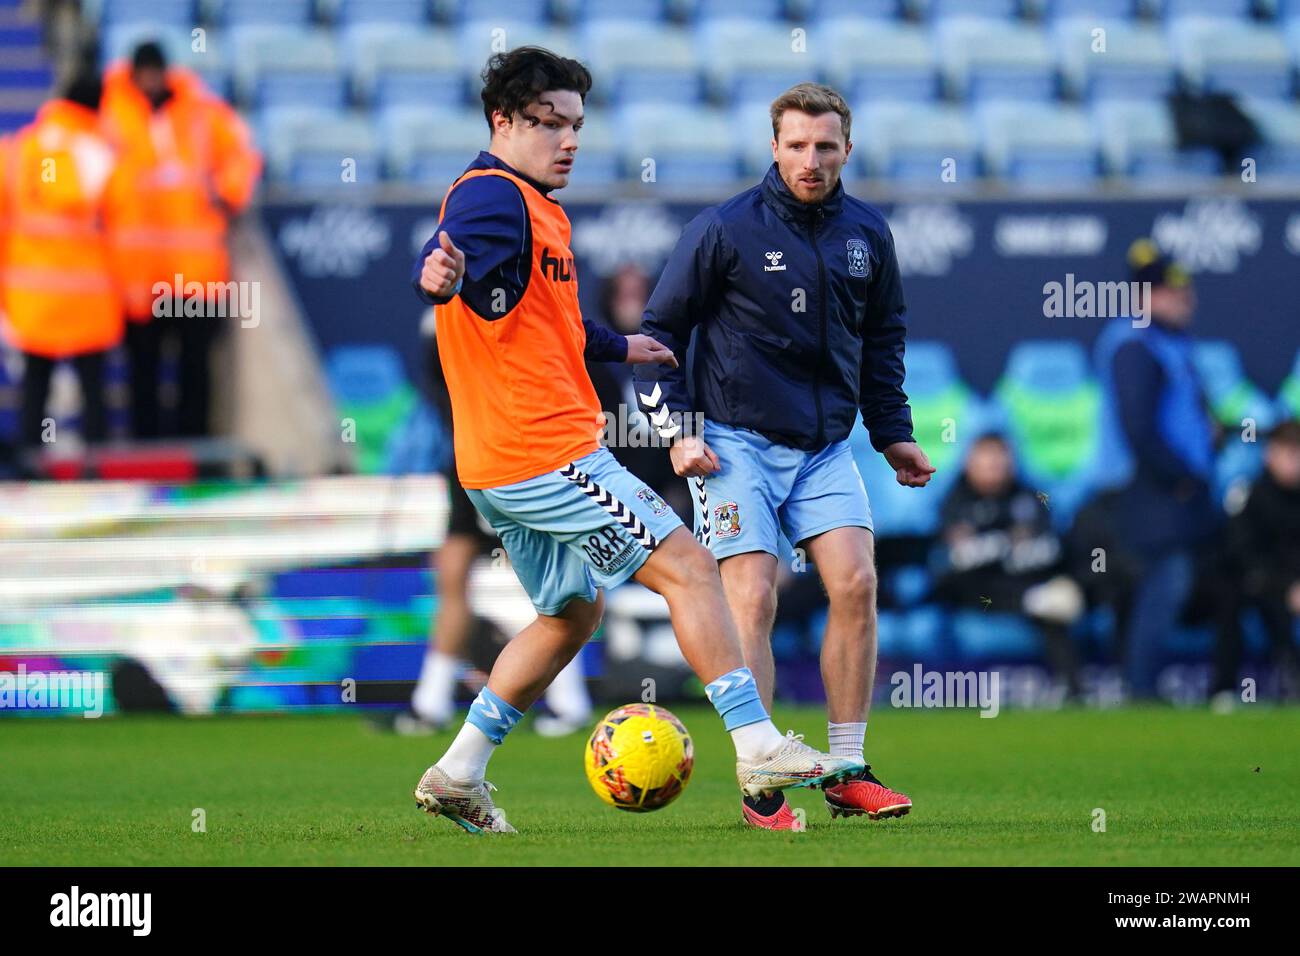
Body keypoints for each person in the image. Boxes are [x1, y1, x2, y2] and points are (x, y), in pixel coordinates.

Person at [408, 48, 860, 834]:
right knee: (690, 567)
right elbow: (448, 252)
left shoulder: (538, 207)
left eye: (577, 124)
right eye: (549, 123)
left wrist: (621, 347)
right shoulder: (491, 196)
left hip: (498, 461)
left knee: (570, 617)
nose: (569, 140)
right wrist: (437, 272)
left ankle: (457, 772)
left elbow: (549, 324)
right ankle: (758, 746)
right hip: (543, 450)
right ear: (502, 123)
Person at [635, 82, 933, 829]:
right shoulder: (725, 229)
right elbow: (655, 339)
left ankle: (848, 769)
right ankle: (760, 783)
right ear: (773, 147)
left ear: (847, 150)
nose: (811, 158)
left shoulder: (868, 234)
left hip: (826, 446)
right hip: (734, 440)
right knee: (753, 595)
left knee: (858, 583)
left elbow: (883, 342)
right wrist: (677, 429)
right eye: (796, 145)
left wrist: (891, 430)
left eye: (825, 146)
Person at [395, 319, 592, 738]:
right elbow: (440, 381)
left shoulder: (522, 314)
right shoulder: (449, 317)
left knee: (547, 579)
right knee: (451, 575)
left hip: (521, 458)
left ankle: (569, 704)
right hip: (471, 457)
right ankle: (429, 703)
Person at [100, 41, 262, 439]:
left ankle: (196, 448)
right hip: (140, 274)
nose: (150, 81)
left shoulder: (202, 113)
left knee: (195, 366)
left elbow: (243, 155)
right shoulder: (111, 115)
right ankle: (147, 449)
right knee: (144, 367)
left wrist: (226, 193)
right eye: (144, 74)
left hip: (195, 272)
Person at [1093, 239, 1222, 699]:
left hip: (1180, 485)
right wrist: (1180, 475)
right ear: (1146, 297)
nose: (1186, 301)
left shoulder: (1170, 344)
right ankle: (1140, 686)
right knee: (1166, 578)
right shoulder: (1134, 345)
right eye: (1175, 293)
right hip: (1151, 486)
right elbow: (1139, 428)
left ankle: (1214, 685)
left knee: (1200, 576)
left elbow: (1185, 417)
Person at [0, 73, 121, 458]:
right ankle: (98, 469)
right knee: (92, 389)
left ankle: (30, 466)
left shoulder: (20, 147)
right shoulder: (94, 149)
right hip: (84, 292)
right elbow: (111, 209)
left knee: (36, 386)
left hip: (32, 294)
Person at [934, 433, 1084, 698]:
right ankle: (939, 692)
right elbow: (958, 558)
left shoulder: (1028, 495)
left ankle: (1073, 691)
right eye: (986, 463)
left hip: (1019, 581)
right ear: (970, 464)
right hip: (977, 594)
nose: (994, 470)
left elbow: (1048, 547)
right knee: (961, 582)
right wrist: (1005, 544)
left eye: (999, 462)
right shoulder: (955, 499)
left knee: (1051, 607)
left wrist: (998, 548)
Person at [1213, 419, 1300, 703]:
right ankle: (1224, 689)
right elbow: (1242, 553)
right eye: (1288, 452)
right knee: (1232, 596)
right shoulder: (1251, 496)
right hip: (1262, 583)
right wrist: (1286, 586)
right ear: (1269, 454)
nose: (1294, 462)